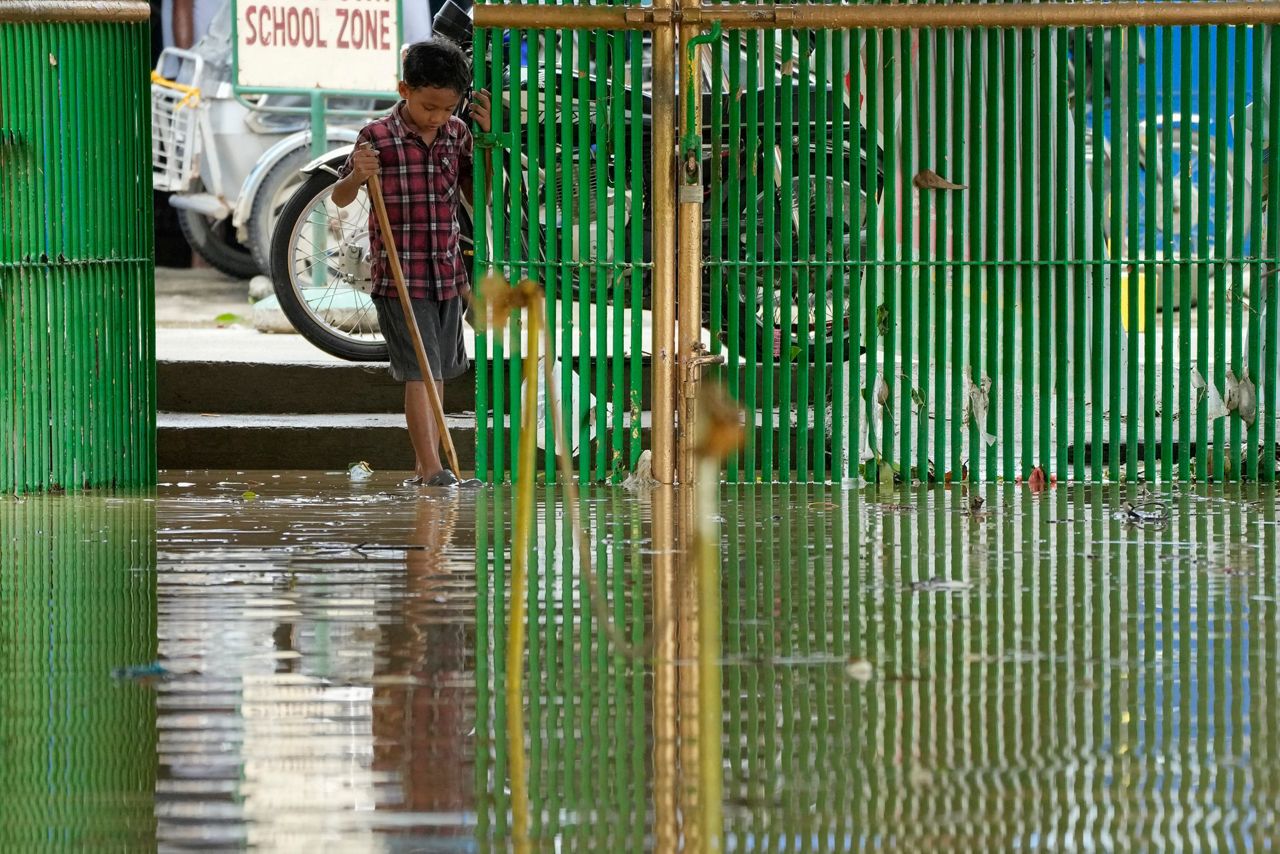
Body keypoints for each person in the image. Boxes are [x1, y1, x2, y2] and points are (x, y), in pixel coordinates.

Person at [331, 39, 491, 487]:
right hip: (399, 277)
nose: (437, 117)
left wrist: (488, 144)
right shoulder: (376, 137)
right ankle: (433, 469)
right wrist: (358, 174)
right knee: (420, 372)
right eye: (428, 107)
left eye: (447, 108)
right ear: (404, 89)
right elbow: (341, 197)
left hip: (446, 272)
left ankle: (427, 469)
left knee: (437, 371)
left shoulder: (458, 134)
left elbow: (480, 196)